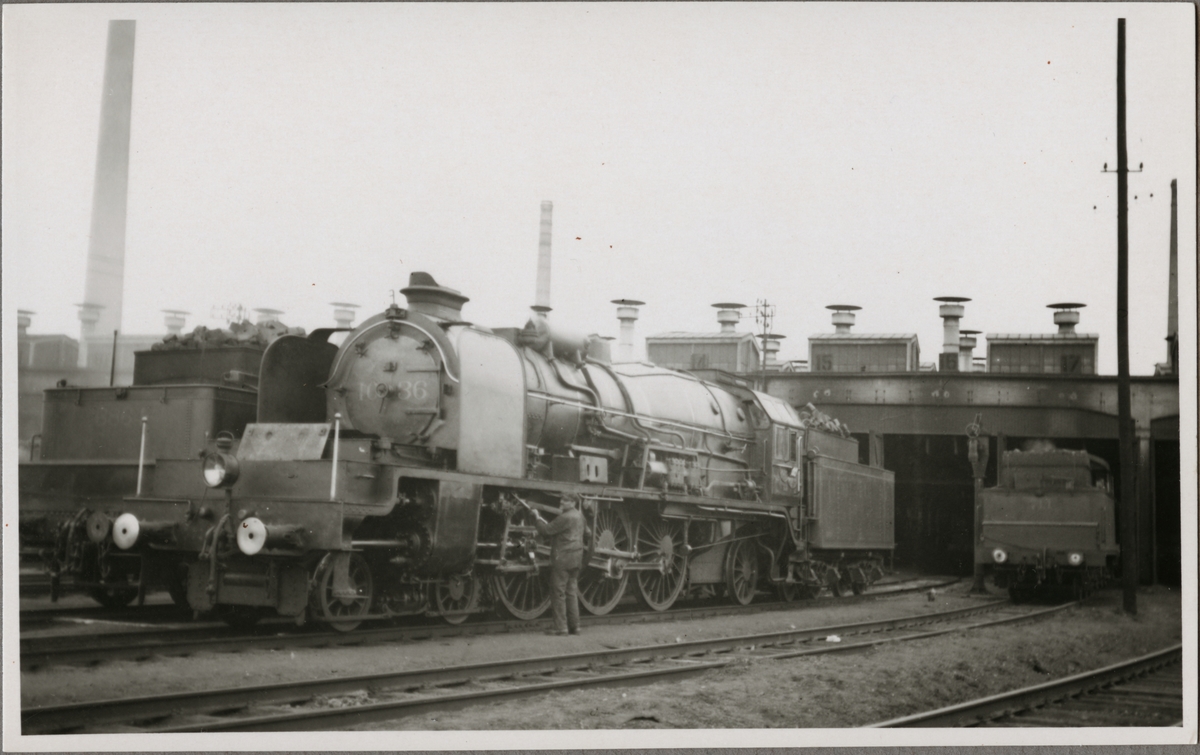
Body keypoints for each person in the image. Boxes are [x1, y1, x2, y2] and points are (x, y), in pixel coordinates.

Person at [531, 494, 590, 636]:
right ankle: (575, 627)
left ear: (573, 502)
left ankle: (561, 628)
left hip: (563, 559)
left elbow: (546, 531)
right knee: (571, 592)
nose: (561, 502)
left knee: (558, 592)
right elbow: (588, 533)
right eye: (562, 499)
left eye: (566, 500)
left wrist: (537, 517)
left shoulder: (565, 517)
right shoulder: (580, 516)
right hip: (576, 559)